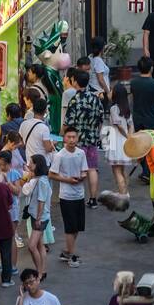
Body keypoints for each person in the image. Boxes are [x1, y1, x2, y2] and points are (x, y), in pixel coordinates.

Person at [64, 68, 106, 207]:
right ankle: (93, 199)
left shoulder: (74, 100)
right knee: (92, 168)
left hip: (78, 141)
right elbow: (101, 119)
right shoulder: (95, 98)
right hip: (92, 139)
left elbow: (68, 123)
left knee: (77, 170)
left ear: (75, 82)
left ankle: (77, 198)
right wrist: (96, 133)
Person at [49, 125, 88, 265]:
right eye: (69, 137)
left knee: (77, 227)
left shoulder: (81, 153)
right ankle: (72, 256)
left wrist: (82, 176)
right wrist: (67, 180)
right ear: (64, 138)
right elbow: (52, 174)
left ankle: (67, 251)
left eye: (74, 137)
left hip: (80, 194)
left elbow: (85, 170)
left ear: (77, 138)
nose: (71, 140)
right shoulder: (60, 155)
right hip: (66, 196)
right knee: (70, 228)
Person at [130, 57, 154, 175]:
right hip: (152, 118)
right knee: (152, 144)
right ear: (151, 68)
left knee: (142, 146)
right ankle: (152, 171)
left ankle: (145, 171)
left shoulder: (134, 83)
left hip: (138, 118)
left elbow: (133, 98)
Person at [24, 153, 52, 277]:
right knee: (40, 244)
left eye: (31, 162)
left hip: (39, 217)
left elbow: (41, 200)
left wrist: (39, 218)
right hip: (38, 215)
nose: (29, 164)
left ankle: (39, 273)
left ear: (37, 165)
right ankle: (42, 271)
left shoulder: (41, 181)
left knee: (32, 246)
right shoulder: (42, 179)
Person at [0, 149, 24, 270]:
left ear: (9, 164)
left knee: (11, 237)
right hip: (0, 209)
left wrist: (8, 183)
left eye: (3, 164)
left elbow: (18, 191)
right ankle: (4, 262)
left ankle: (13, 265)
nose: (1, 167)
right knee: (2, 237)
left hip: (12, 209)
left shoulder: (14, 174)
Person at [107, 83, 134, 196]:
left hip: (115, 140)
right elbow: (131, 124)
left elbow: (118, 125)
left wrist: (126, 135)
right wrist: (129, 136)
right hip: (124, 141)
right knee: (123, 169)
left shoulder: (114, 108)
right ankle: (125, 191)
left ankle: (122, 193)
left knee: (116, 170)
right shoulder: (127, 108)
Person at [19, 97, 53, 162]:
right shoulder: (44, 128)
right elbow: (48, 149)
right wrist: (53, 143)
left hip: (30, 162)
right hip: (42, 163)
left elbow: (22, 144)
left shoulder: (24, 124)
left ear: (33, 110)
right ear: (45, 110)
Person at [60, 69, 80, 134]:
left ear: (68, 78)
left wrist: (62, 130)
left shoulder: (66, 93)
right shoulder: (77, 91)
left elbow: (65, 113)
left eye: (64, 76)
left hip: (67, 129)